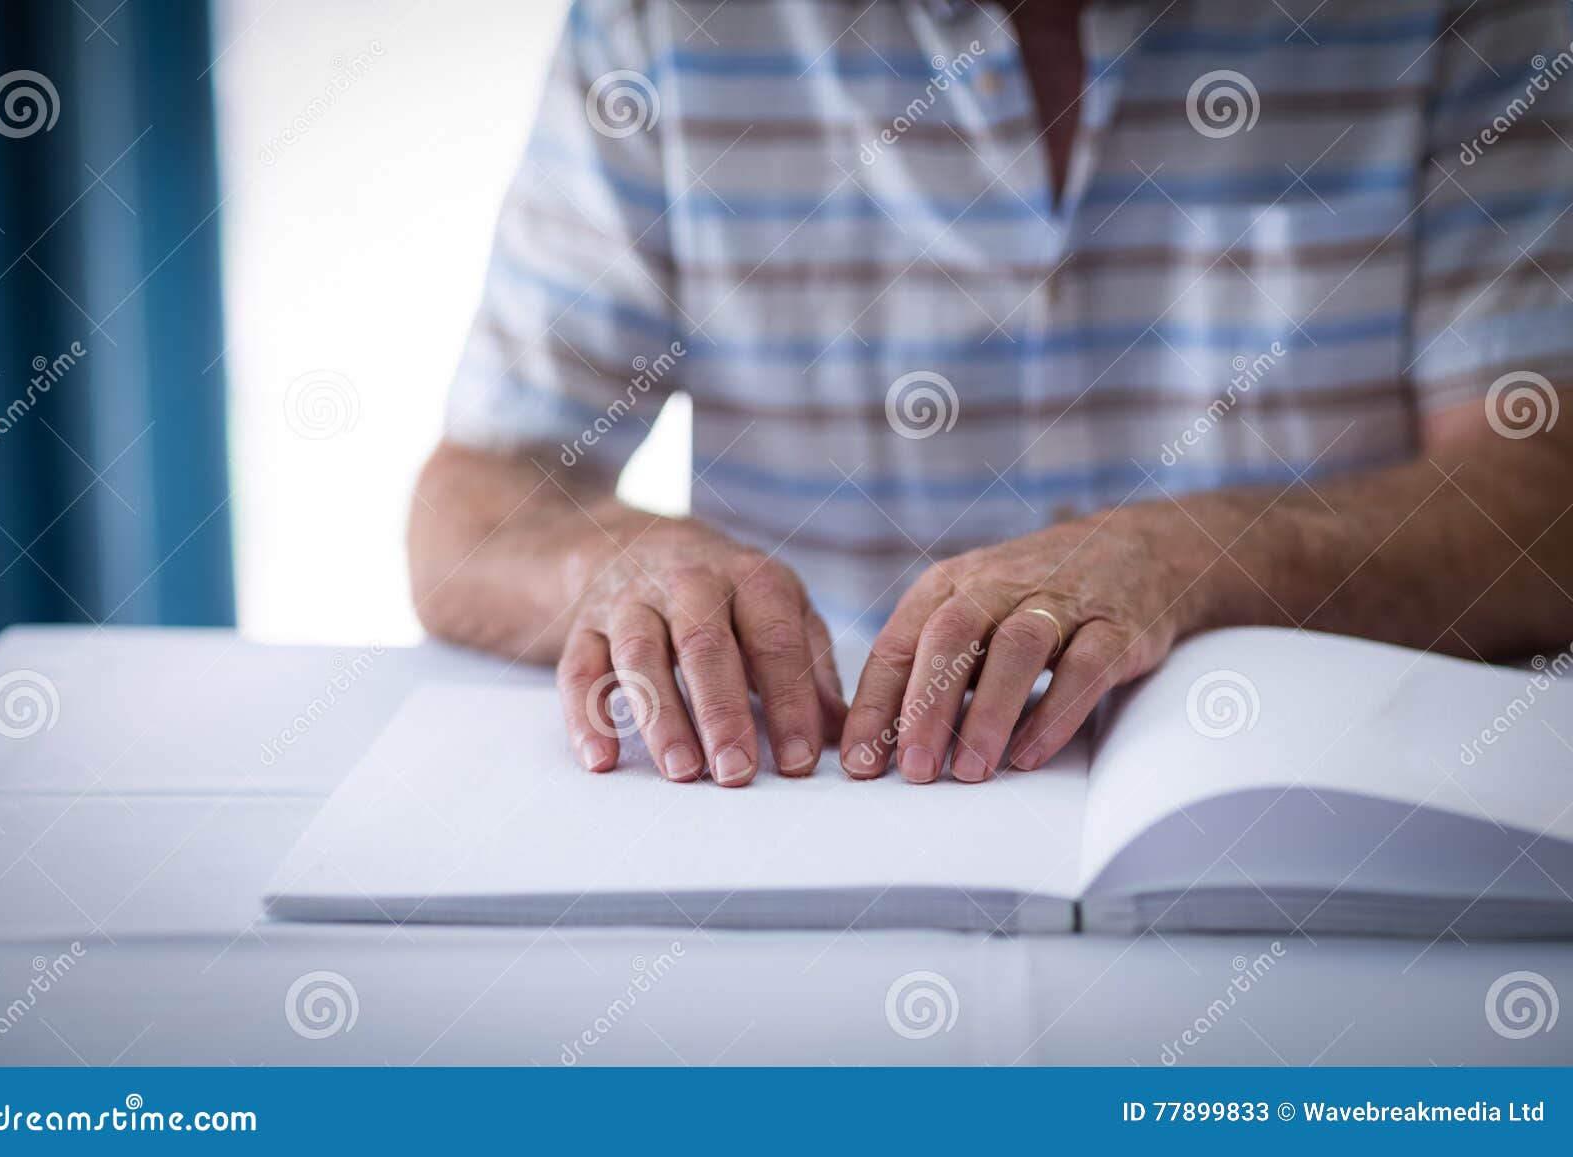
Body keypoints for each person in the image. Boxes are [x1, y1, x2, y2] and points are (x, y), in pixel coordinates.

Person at [409, 0, 1573, 787]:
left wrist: (1184, 561)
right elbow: (478, 497)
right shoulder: (663, 25)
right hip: (822, 796)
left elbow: (1545, 497)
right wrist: (618, 569)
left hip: (1334, 800)